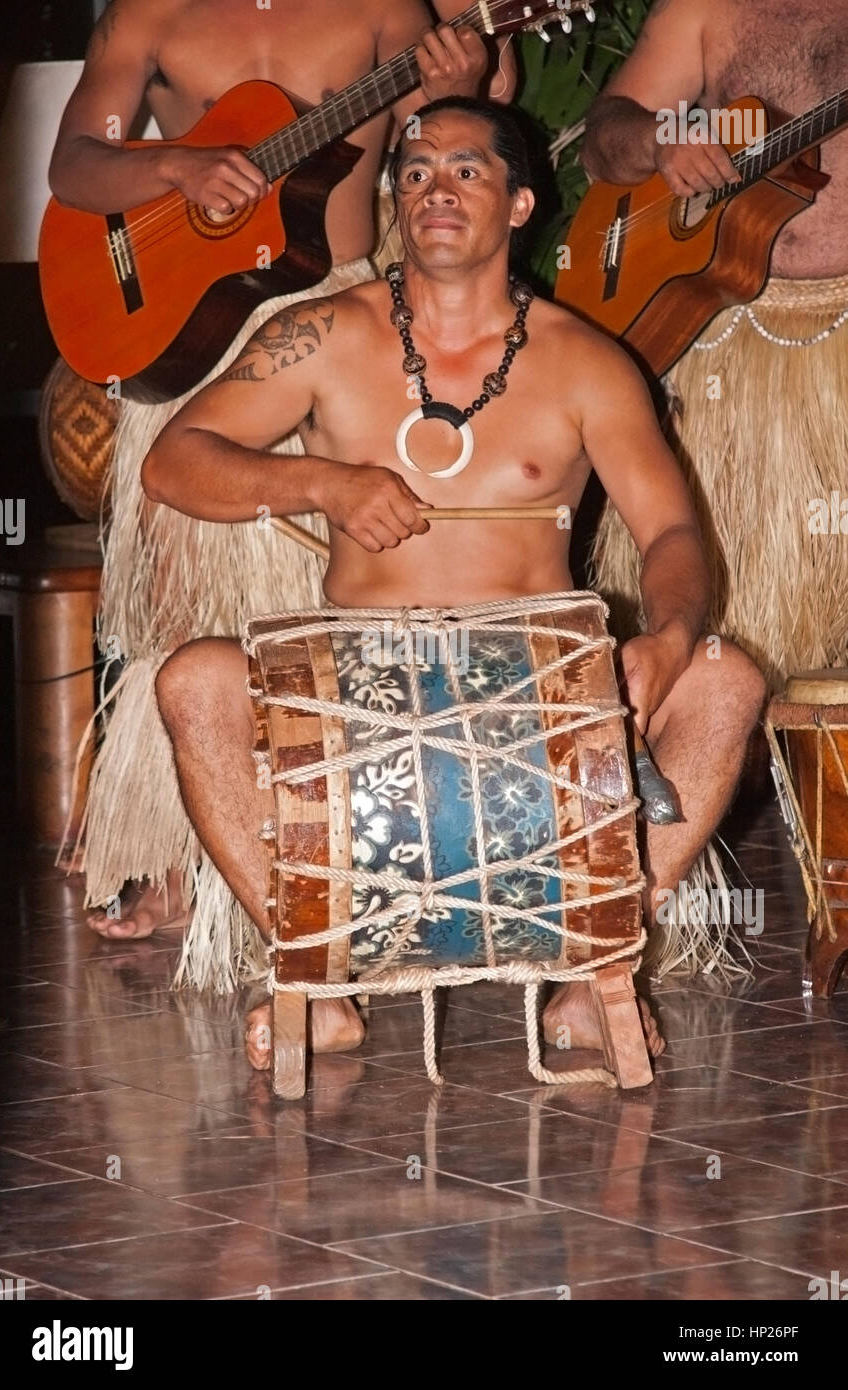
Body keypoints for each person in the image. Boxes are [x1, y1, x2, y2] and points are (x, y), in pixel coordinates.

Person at [142, 97, 765, 1064]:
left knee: (727, 679)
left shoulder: (587, 364)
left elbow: (674, 532)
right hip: (358, 699)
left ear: (520, 205)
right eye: (417, 168)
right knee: (193, 680)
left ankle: (596, 977)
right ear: (394, 194)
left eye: (469, 170)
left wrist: (670, 640)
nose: (437, 188)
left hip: (539, 704)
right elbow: (173, 461)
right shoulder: (323, 335)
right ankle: (315, 975)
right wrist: (320, 482)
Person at [48, 0, 512, 975]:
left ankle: (346, 862)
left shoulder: (386, 9)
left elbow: (434, 152)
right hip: (186, 320)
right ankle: (173, 852)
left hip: (335, 318)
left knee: (334, 605)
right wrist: (174, 168)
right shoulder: (152, 9)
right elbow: (76, 165)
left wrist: (457, 90)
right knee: (178, 600)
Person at [580, 0, 848, 690]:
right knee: (731, 632)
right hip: (733, 339)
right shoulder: (708, 7)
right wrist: (660, 141)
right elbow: (604, 138)